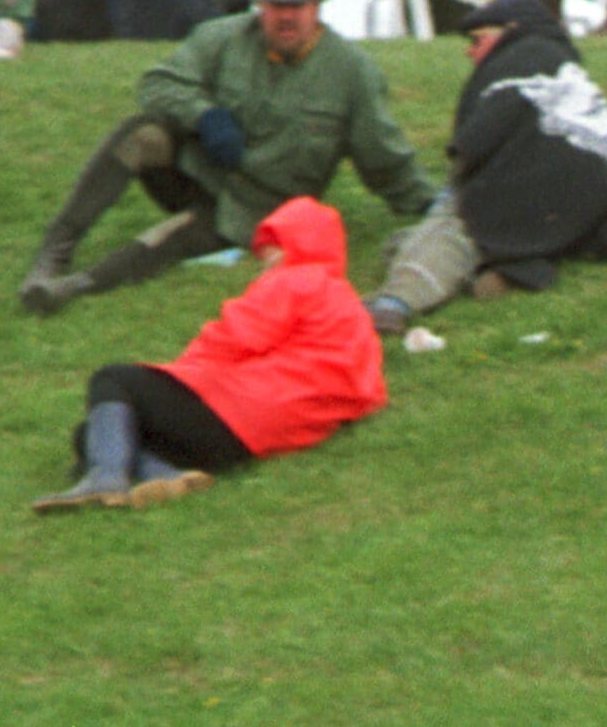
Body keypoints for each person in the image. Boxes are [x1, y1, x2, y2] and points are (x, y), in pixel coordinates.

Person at [19, 0, 435, 315]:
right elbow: (159, 83)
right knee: (140, 133)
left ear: (318, 9)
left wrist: (432, 204)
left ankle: (76, 286)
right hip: (198, 172)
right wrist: (206, 115)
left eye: (298, 6)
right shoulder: (223, 37)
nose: (285, 17)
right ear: (259, 7)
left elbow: (383, 156)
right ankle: (55, 251)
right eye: (274, 5)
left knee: (171, 238)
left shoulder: (352, 71)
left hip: (255, 214)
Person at [31, 197, 385, 513]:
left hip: (238, 415)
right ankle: (170, 478)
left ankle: (106, 480)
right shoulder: (350, 307)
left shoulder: (295, 280)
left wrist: (181, 373)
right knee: (93, 432)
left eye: (272, 249)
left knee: (114, 380)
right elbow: (368, 392)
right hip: (262, 438)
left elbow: (235, 337)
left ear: (294, 245)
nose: (265, 261)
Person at [364, 0, 607, 334]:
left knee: (452, 231)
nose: (470, 52)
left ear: (509, 32)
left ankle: (393, 304)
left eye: (477, 40)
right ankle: (507, 272)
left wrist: (453, 194)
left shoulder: (513, 63)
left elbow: (474, 147)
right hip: (587, 210)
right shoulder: (567, 67)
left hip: (528, 193)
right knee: (407, 240)